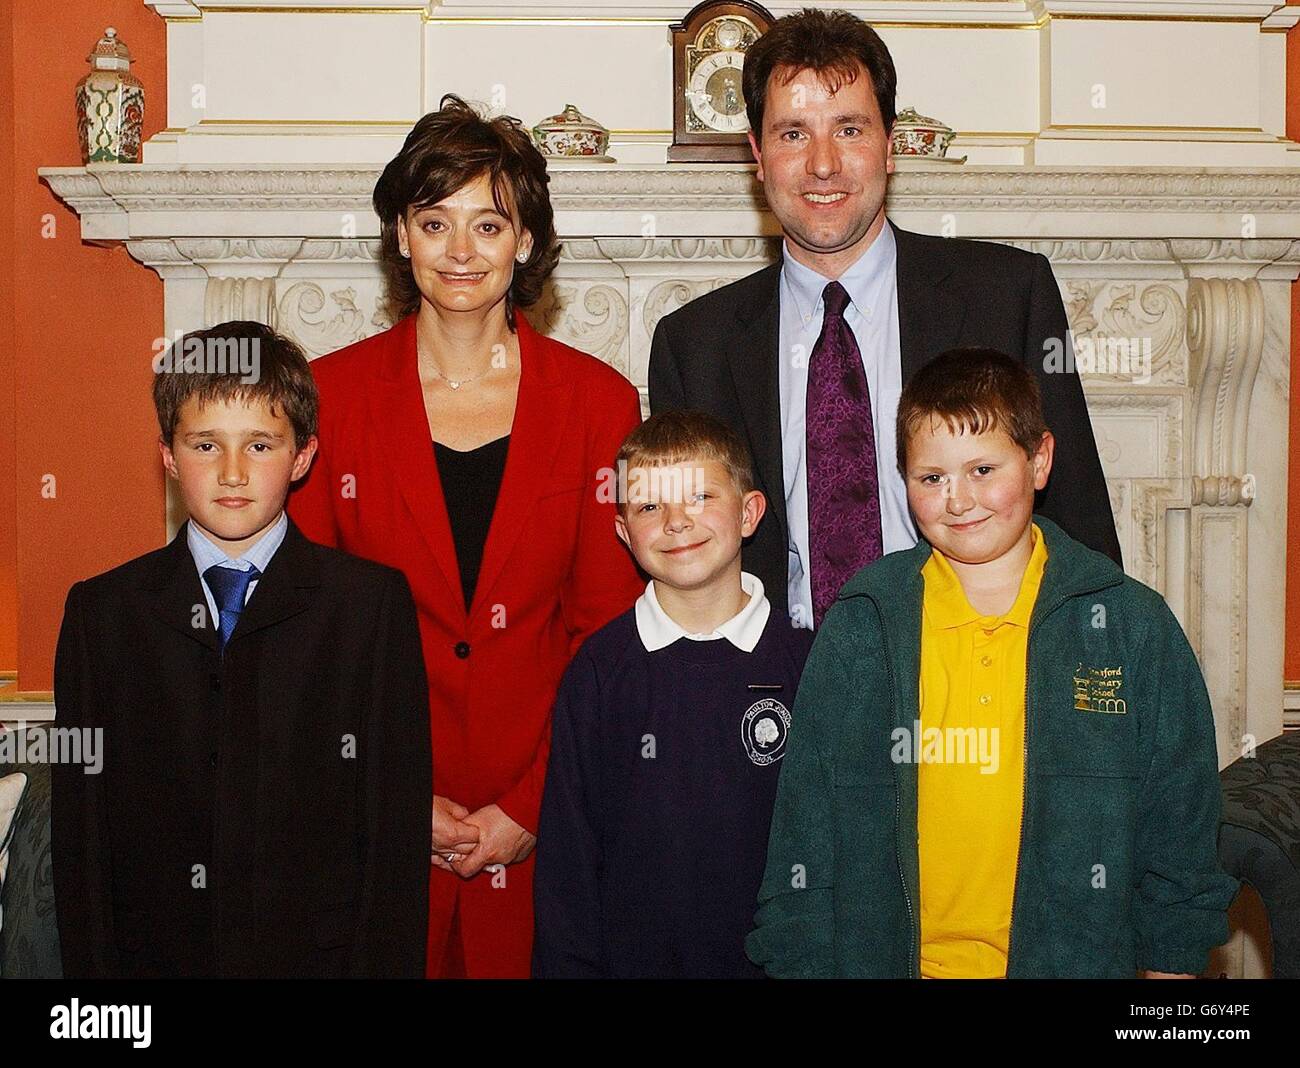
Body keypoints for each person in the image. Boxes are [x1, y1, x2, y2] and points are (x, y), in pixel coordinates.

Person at [287, 95, 644, 978]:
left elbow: (606, 633)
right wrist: (395, 795)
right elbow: (308, 639)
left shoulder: (600, 404)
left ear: (525, 242)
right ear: (400, 236)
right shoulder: (326, 399)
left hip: (546, 822)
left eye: (488, 224)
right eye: (433, 221)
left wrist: (530, 804)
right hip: (369, 822)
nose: (459, 251)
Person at [746, 348, 1237, 978]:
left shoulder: (1130, 626)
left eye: (983, 469)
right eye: (931, 478)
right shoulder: (863, 622)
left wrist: (1170, 968)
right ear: (902, 483)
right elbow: (804, 826)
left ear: (1039, 461)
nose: (958, 500)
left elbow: (1180, 821)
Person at [649, 8, 1121, 631]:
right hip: (775, 695)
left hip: (979, 667)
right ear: (757, 156)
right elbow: (680, 558)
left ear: (889, 146)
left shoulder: (1006, 297)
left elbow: (1076, 517)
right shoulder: (694, 345)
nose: (823, 164)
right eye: (793, 134)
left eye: (849, 129)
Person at [51, 321, 432, 978]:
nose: (232, 473)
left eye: (259, 445)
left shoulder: (368, 607)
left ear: (303, 457)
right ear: (168, 456)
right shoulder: (103, 614)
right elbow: (81, 842)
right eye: (206, 444)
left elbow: (393, 834)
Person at [532, 411, 813, 977]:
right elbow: (568, 862)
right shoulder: (598, 674)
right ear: (622, 532)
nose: (676, 522)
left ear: (750, 512)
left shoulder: (807, 664)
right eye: (649, 507)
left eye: (700, 497)